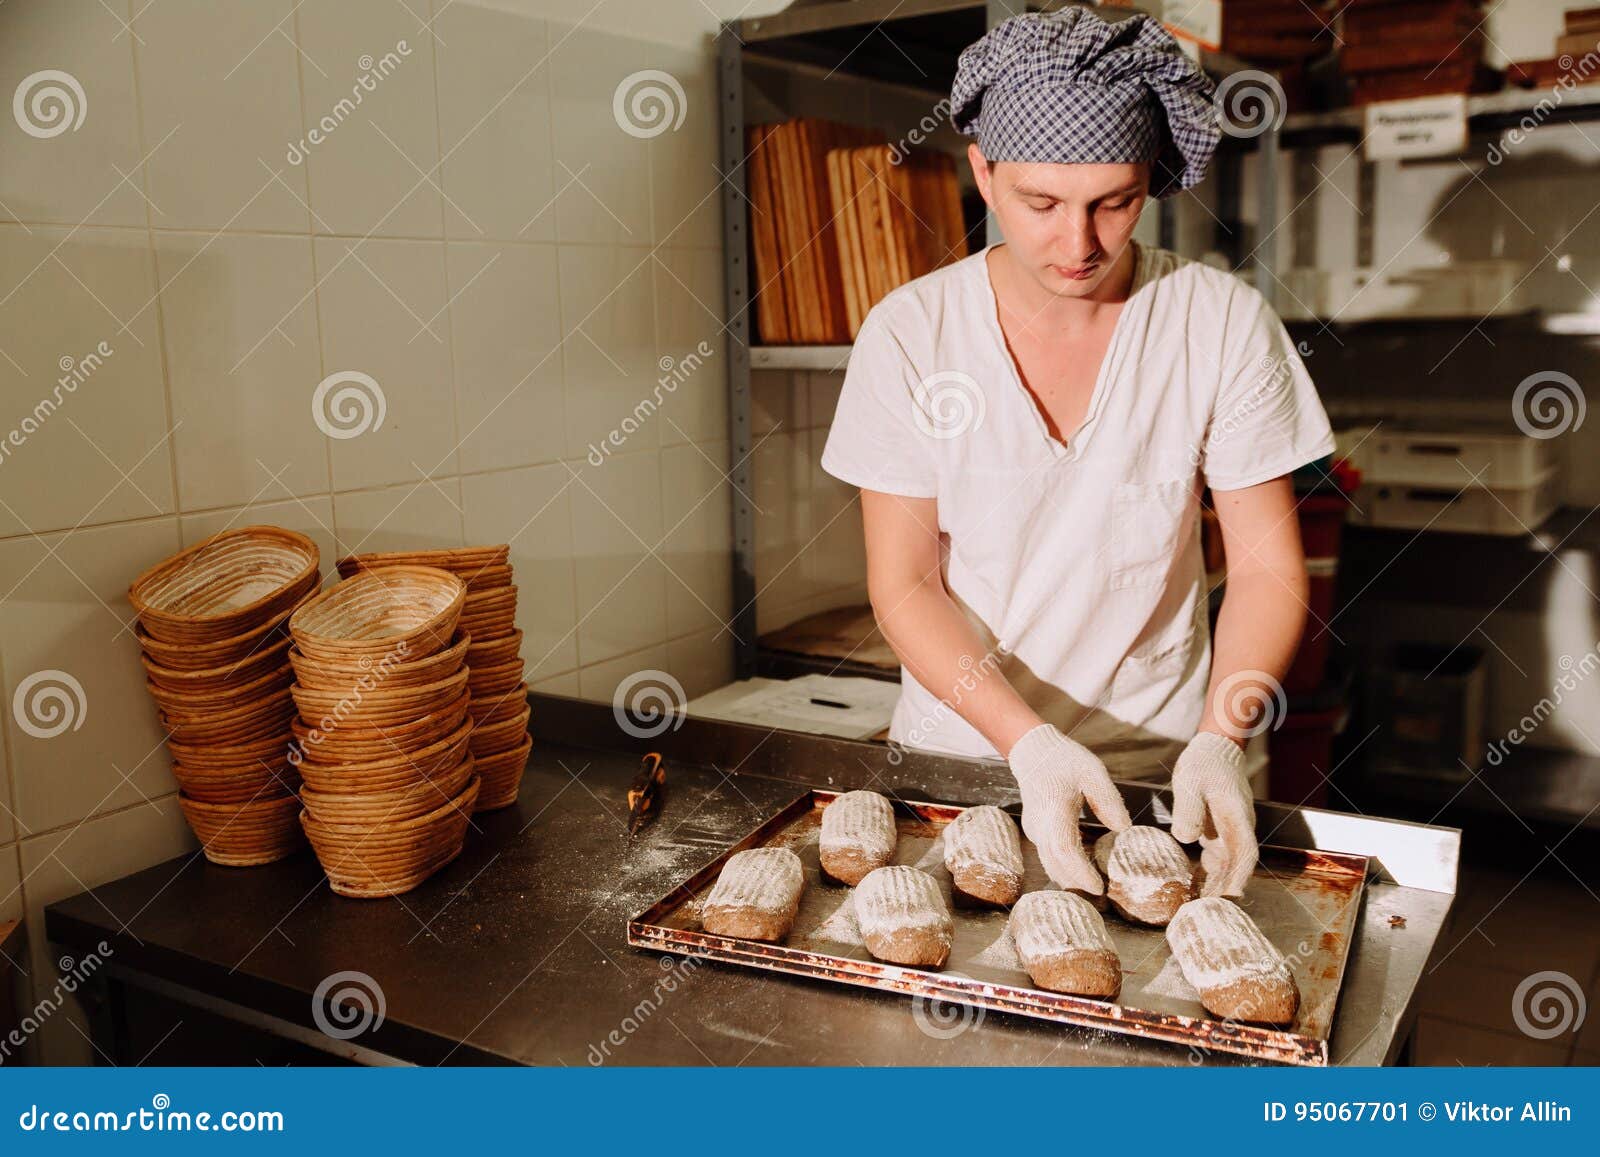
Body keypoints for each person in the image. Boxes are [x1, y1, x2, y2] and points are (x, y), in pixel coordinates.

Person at [819, 9, 1335, 900]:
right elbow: (903, 581)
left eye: (1116, 201)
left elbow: (1266, 569)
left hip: (1167, 776)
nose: (1080, 244)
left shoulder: (1216, 322)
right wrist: (1029, 743)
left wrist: (1221, 735)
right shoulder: (912, 333)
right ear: (982, 170)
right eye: (1042, 203)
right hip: (968, 769)